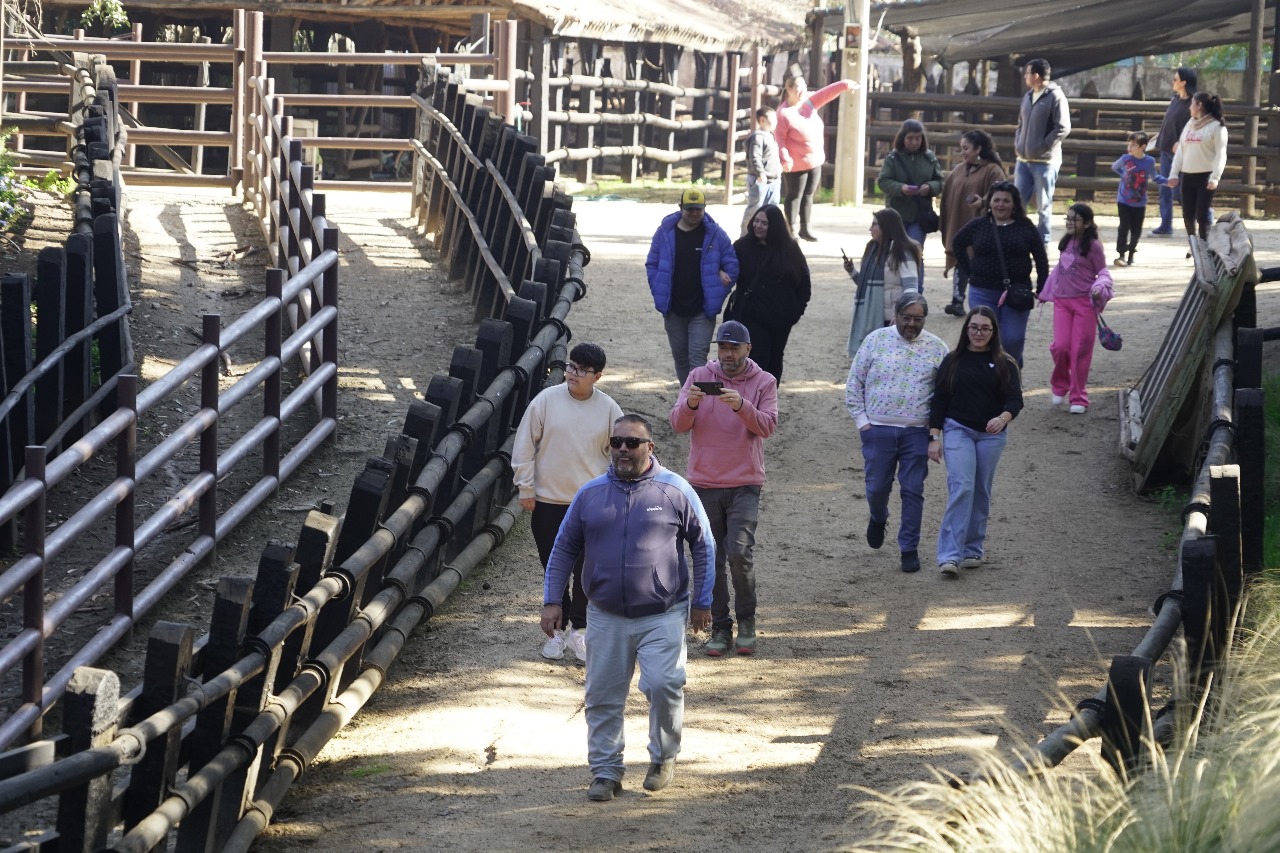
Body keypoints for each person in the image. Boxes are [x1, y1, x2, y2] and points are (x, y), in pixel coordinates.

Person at [541, 414, 714, 801]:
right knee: (602, 695)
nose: (622, 449)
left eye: (632, 443)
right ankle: (605, 772)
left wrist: (703, 600)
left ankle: (664, 756)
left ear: (649, 447)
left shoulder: (675, 490)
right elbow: (564, 547)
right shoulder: (590, 494)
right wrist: (553, 600)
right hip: (605, 613)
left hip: (663, 612)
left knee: (664, 683)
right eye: (616, 442)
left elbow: (704, 544)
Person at [671, 320, 778, 656]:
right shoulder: (700, 376)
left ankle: (747, 621)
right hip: (703, 483)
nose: (728, 354)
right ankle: (720, 626)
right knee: (710, 557)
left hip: (745, 482)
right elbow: (677, 424)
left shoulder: (763, 382)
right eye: (723, 347)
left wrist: (741, 406)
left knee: (739, 552)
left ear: (748, 349)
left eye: (734, 347)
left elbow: (768, 426)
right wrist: (690, 402)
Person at [513, 343, 624, 662]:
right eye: (570, 367)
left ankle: (581, 631)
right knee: (554, 568)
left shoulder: (608, 408)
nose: (572, 374)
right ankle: (556, 633)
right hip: (548, 501)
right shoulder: (546, 401)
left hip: (590, 504)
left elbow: (622, 452)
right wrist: (526, 486)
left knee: (587, 569)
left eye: (581, 370)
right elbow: (524, 444)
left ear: (597, 376)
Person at [845, 292, 949, 574]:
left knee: (913, 490)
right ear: (896, 316)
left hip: (917, 432)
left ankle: (908, 547)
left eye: (918, 319)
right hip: (877, 429)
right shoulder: (875, 340)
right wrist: (863, 422)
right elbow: (855, 382)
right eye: (907, 317)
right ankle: (878, 516)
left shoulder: (938, 348)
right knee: (877, 487)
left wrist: (935, 434)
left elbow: (946, 394)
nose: (912, 324)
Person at [928, 306, 1023, 577]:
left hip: (991, 434)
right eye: (974, 327)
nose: (978, 333)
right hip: (958, 429)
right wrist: (934, 437)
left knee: (981, 489)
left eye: (985, 328)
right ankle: (949, 555)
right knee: (962, 487)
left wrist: (1003, 418)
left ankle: (972, 549)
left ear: (993, 332)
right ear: (966, 329)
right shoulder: (953, 360)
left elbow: (1016, 400)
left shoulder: (1006, 362)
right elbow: (939, 401)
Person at [646, 187, 739, 385]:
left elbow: (732, 267)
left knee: (697, 359)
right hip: (673, 308)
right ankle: (687, 396)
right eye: (689, 209)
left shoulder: (715, 234)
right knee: (680, 358)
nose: (694, 213)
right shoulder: (665, 232)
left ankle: (695, 403)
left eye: (698, 209)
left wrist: (718, 288)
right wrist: (657, 289)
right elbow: (652, 263)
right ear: (681, 208)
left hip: (702, 310)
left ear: (704, 209)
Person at [950, 181, 1048, 367]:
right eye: (996, 200)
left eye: (1006, 201)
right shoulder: (979, 225)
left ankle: (1011, 371)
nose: (1000, 205)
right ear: (989, 203)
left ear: (1014, 204)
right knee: (983, 337)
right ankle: (987, 377)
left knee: (1013, 338)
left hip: (1017, 293)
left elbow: (1041, 257)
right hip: (983, 291)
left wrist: (1042, 287)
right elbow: (958, 243)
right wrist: (971, 271)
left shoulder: (1025, 226)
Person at [1042, 204, 1114, 415]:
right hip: (1062, 303)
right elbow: (1059, 270)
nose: (1069, 222)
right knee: (1061, 347)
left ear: (1088, 223)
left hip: (1084, 304)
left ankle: (1078, 396)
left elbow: (1102, 271)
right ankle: (1060, 384)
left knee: (1080, 350)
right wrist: (1046, 291)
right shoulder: (1066, 242)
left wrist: (1099, 287)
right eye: (1068, 218)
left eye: (1075, 219)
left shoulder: (1093, 246)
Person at [728, 204, 811, 383]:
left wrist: (796, 311)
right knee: (756, 360)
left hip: (781, 319)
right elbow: (727, 269)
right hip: (752, 317)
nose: (758, 226)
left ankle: (767, 402)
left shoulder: (790, 249)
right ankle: (751, 404)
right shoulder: (742, 247)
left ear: (775, 226)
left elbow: (804, 283)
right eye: (756, 221)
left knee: (774, 360)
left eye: (764, 223)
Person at [775, 66, 859, 241]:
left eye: (804, 87)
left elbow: (826, 93)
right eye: (799, 88)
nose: (803, 91)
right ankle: (792, 229)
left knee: (808, 194)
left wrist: (844, 85)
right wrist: (785, 158)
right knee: (794, 195)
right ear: (789, 89)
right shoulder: (783, 114)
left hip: (814, 160)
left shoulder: (808, 102)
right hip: (795, 162)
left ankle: (806, 227)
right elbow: (780, 139)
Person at [940, 129, 1006, 316]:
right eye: (961, 148)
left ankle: (983, 304)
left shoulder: (993, 170)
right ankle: (957, 300)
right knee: (961, 259)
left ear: (978, 148)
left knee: (979, 264)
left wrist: (984, 202)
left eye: (966, 148)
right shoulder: (959, 170)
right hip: (961, 225)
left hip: (983, 229)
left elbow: (1000, 193)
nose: (962, 152)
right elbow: (948, 196)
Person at [844, 208, 921, 360]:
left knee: (890, 359)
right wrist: (852, 271)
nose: (870, 229)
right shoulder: (872, 249)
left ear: (886, 226)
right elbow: (865, 286)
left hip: (891, 319)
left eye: (874, 225)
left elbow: (911, 287)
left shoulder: (902, 251)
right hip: (873, 314)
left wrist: (900, 313)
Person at [1013, 58, 1071, 245]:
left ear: (1036, 76)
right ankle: (1017, 239)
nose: (1025, 76)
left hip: (1045, 163)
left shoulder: (1056, 97)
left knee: (1043, 205)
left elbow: (1063, 127)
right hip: (1023, 160)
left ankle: (1042, 243)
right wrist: (1018, 143)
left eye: (1027, 73)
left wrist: (1042, 146)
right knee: (1017, 204)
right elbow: (1020, 124)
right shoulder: (1028, 96)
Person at [877, 119, 944, 258]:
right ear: (903, 138)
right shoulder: (893, 158)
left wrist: (930, 187)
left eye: (918, 138)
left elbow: (940, 181)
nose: (914, 142)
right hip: (896, 214)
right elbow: (883, 181)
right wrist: (901, 188)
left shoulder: (929, 158)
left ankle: (916, 280)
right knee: (895, 252)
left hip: (919, 215)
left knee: (915, 251)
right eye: (910, 138)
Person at [1167, 92, 1228, 243]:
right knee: (1187, 215)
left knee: (1202, 214)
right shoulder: (1190, 124)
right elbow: (1181, 149)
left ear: (1199, 105)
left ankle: (1205, 246)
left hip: (1205, 177)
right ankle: (1193, 243)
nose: (1189, 107)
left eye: (1192, 103)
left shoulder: (1217, 127)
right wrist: (1174, 173)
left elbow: (1221, 154)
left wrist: (1215, 178)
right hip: (1188, 175)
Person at [1151, 67, 1197, 236]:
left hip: (1184, 154)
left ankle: (1204, 215)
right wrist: (1159, 135)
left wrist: (1184, 142)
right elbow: (1170, 122)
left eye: (1175, 79)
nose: (1173, 81)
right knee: (1164, 189)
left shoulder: (1195, 103)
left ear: (1184, 82)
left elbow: (1198, 128)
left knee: (1181, 192)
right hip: (1166, 150)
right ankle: (1165, 225)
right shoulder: (1175, 99)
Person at [1111, 131, 1161, 267]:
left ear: (1143, 146)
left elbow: (1155, 177)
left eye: (1133, 145)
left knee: (1136, 230)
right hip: (1124, 200)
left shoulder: (1149, 161)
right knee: (1123, 227)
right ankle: (1121, 253)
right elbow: (1115, 167)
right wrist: (1124, 175)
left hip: (1140, 202)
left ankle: (1131, 253)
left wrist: (1168, 181)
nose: (1130, 148)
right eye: (1129, 144)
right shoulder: (1126, 158)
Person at [741, 107, 782, 236]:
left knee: (772, 209)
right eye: (773, 118)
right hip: (760, 180)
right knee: (755, 209)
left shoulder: (771, 136)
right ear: (762, 120)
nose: (776, 121)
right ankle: (745, 235)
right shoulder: (757, 137)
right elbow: (755, 157)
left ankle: (767, 236)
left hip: (773, 179)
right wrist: (760, 173)